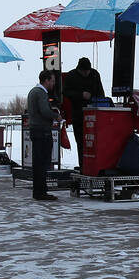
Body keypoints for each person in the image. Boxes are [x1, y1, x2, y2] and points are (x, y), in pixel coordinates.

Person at [63, 57, 104, 174]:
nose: (87, 73)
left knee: (95, 142)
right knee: (81, 143)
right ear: (79, 69)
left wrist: (101, 103)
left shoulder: (95, 74)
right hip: (79, 116)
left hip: (95, 115)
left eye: (88, 71)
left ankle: (96, 166)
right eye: (84, 71)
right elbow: (66, 92)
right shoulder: (71, 76)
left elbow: (100, 91)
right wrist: (81, 95)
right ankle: (83, 167)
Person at [27, 70, 59, 201]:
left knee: (37, 163)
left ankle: (38, 191)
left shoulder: (32, 91)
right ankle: (41, 192)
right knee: (43, 163)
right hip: (42, 131)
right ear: (46, 80)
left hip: (35, 130)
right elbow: (45, 111)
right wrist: (56, 116)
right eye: (52, 80)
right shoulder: (41, 93)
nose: (53, 83)